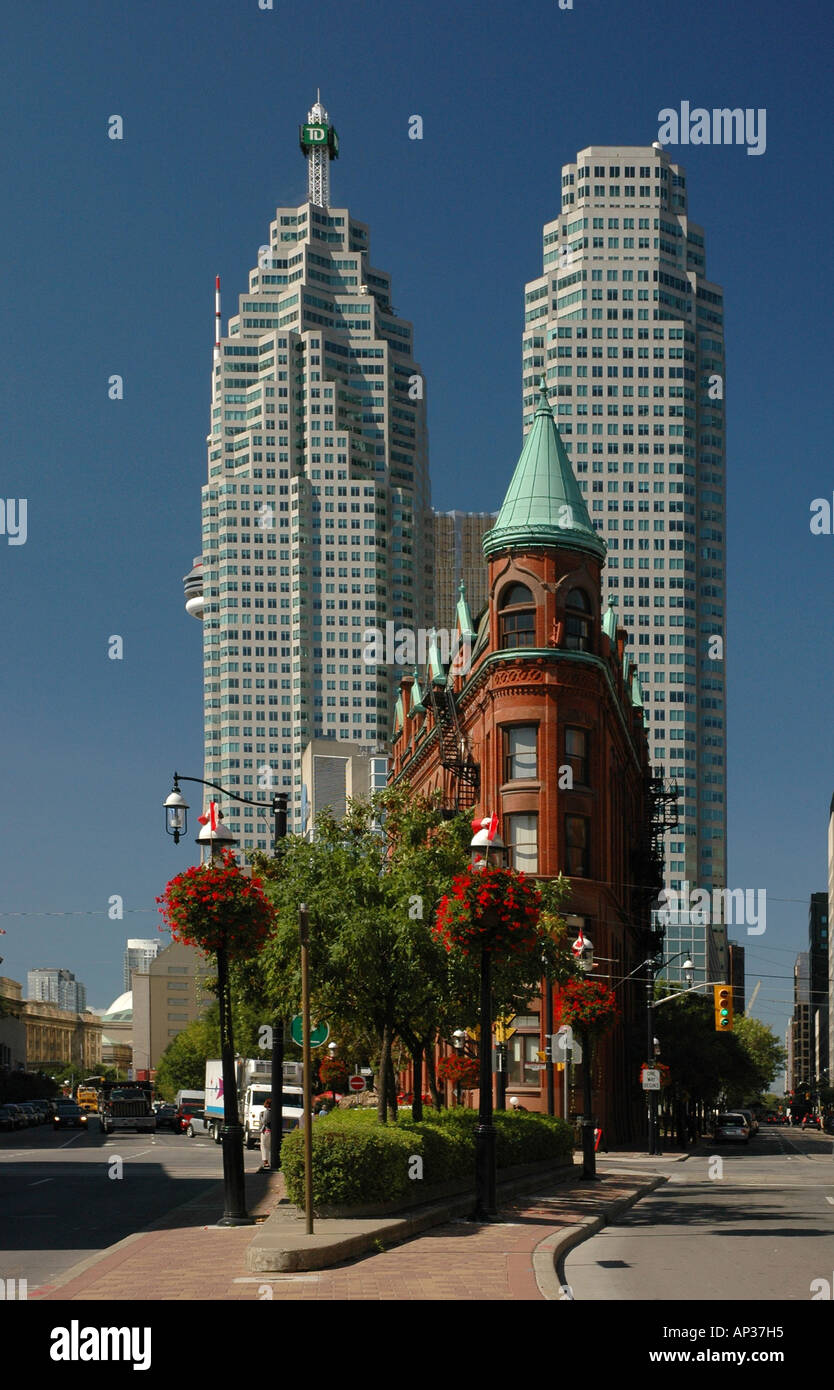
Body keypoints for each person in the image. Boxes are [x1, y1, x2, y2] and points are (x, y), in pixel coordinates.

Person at [258, 1099, 272, 1171]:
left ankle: (265, 1161)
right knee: (269, 1147)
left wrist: (260, 1116)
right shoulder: (274, 1111)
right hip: (271, 1131)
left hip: (266, 1131)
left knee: (264, 1146)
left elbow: (264, 1121)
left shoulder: (267, 1112)